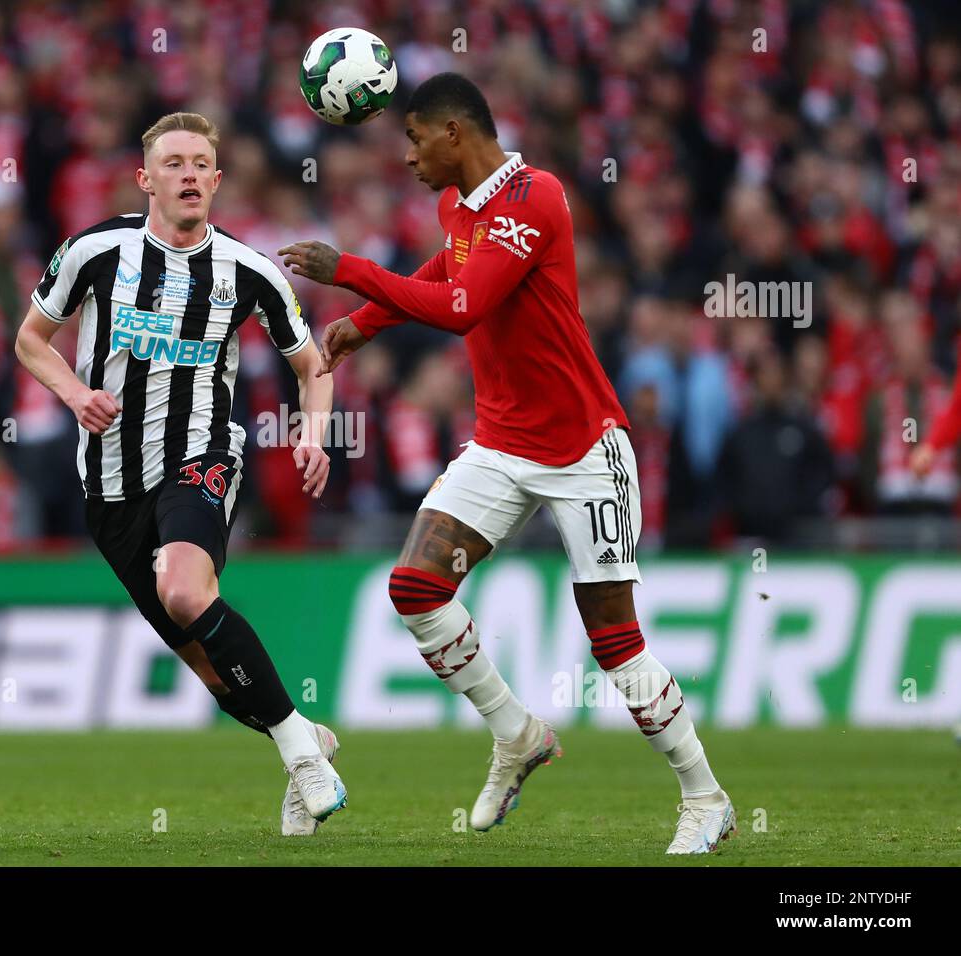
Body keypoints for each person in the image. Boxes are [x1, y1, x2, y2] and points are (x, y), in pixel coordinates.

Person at [280, 73, 733, 853]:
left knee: (614, 641)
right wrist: (365, 323)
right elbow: (440, 275)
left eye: (417, 139)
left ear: (455, 133)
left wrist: (349, 269)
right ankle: (517, 733)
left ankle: (706, 796)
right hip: (500, 443)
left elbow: (465, 307)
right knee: (417, 588)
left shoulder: (536, 198)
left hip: (582, 447)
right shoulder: (459, 207)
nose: (410, 156)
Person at [15, 112, 346, 836]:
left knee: (184, 587)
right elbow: (30, 339)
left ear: (218, 180)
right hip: (109, 483)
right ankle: (305, 739)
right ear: (146, 179)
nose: (189, 174)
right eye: (174, 163)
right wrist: (74, 393)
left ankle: (298, 752)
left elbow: (310, 364)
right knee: (208, 666)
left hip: (202, 453)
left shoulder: (248, 270)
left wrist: (313, 434)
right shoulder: (95, 250)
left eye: (202, 163)